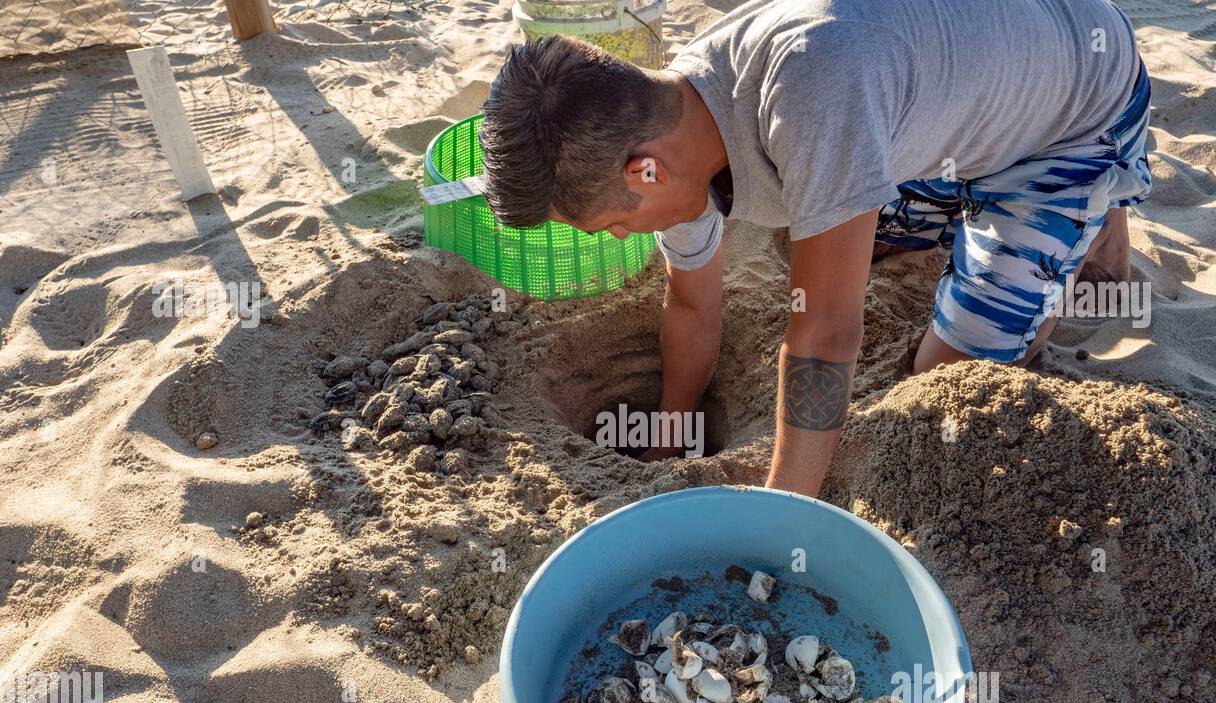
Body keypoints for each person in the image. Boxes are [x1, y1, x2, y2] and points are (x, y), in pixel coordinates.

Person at [478, 0, 1152, 496]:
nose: (625, 237)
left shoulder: (810, 90)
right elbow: (690, 309)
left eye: (609, 226)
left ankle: (1100, 197)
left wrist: (784, 515)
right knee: (835, 226)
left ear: (642, 169)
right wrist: (668, 434)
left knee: (943, 385)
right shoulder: (671, 124)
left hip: (1073, 99)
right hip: (947, 95)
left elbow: (825, 335)